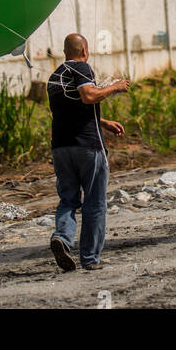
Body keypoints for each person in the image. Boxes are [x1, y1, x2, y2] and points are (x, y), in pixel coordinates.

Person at [46, 32, 129, 272]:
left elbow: (71, 109)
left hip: (61, 148)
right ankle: (90, 259)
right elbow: (88, 96)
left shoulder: (55, 77)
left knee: (68, 200)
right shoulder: (82, 68)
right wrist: (115, 87)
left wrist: (103, 121)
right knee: (94, 202)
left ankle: (62, 237)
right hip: (88, 147)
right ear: (84, 51)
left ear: (65, 52)